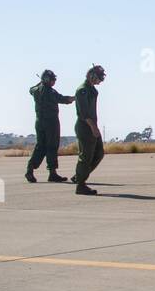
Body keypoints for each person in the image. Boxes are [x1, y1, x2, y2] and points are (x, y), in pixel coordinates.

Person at [25, 69, 74, 183]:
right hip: (51, 123)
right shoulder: (50, 92)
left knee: (40, 147)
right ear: (47, 80)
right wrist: (75, 98)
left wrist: (40, 83)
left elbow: (30, 89)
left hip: (39, 123)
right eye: (52, 79)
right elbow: (63, 99)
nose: (54, 81)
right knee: (52, 147)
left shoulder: (36, 90)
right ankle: (52, 173)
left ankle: (30, 170)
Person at [72, 65, 107, 196]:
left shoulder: (92, 90)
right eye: (99, 77)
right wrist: (93, 127)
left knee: (99, 153)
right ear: (91, 76)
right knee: (85, 156)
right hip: (85, 126)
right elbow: (83, 113)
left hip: (92, 126)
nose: (101, 80)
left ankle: (79, 176)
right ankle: (80, 185)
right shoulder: (82, 90)